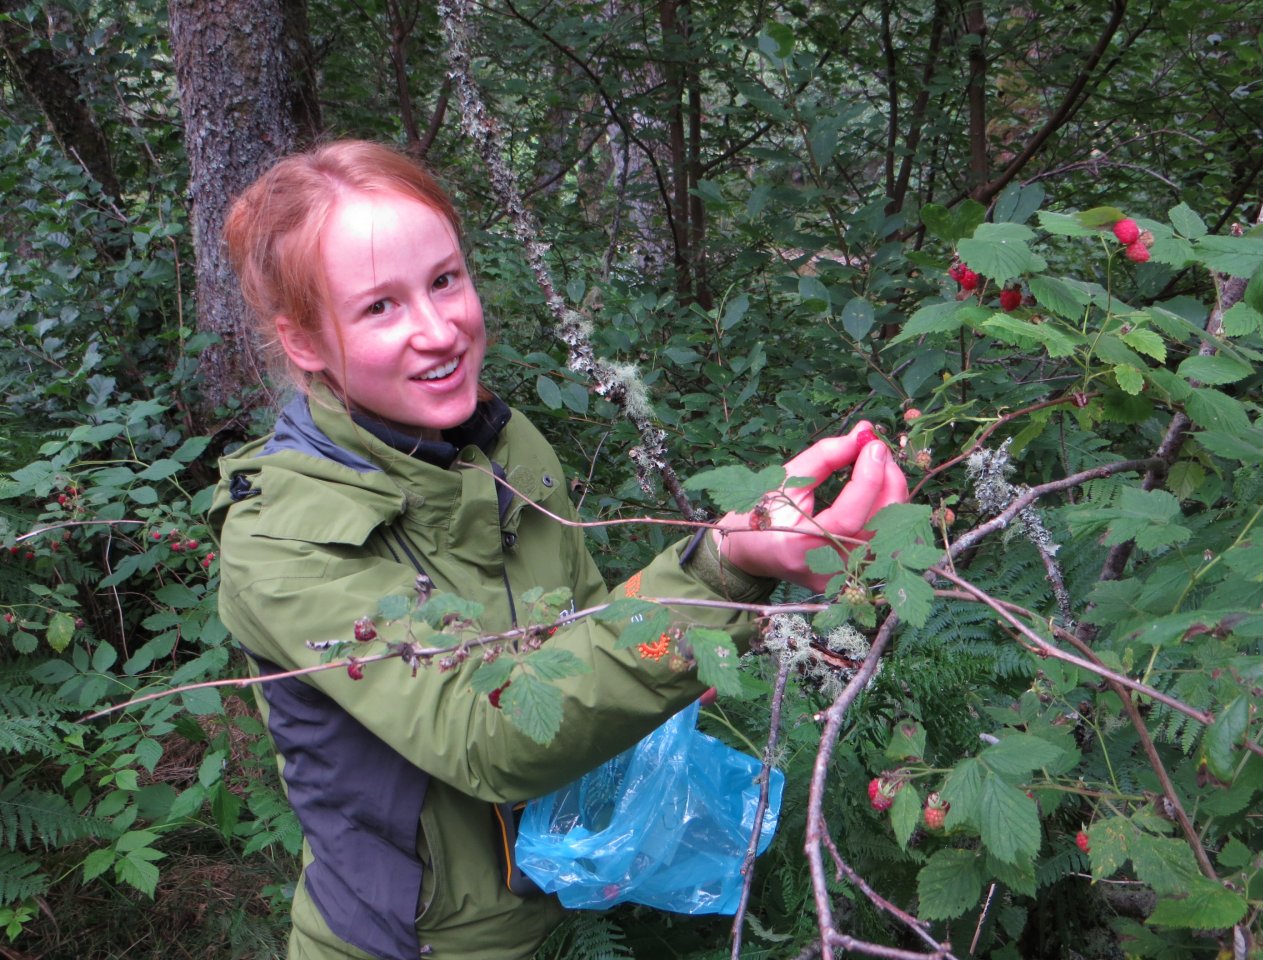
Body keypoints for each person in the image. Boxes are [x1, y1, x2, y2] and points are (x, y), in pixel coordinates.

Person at [209, 140, 908, 960]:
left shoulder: (506, 447)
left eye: (445, 280)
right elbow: (488, 735)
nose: (440, 331)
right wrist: (726, 567)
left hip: (560, 921)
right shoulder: (280, 538)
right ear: (304, 343)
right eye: (380, 308)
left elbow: (578, 635)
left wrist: (702, 614)